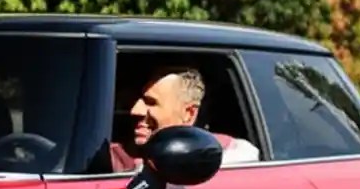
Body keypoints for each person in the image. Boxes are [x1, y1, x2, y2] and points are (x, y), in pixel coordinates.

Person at [109, 66, 259, 172]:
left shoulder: (229, 155)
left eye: (151, 102)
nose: (135, 110)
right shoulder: (112, 157)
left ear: (188, 114)